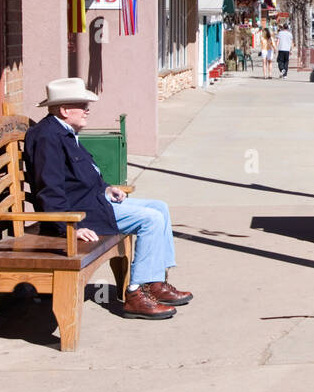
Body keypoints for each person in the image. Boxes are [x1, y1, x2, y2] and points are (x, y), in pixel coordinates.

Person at [24, 78, 192, 321]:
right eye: (82, 105)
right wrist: (70, 227)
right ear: (63, 110)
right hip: (81, 213)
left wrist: (106, 189)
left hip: (93, 202)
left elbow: (81, 177)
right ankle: (136, 294)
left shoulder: (64, 131)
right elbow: (48, 189)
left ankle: (155, 282)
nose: (87, 110)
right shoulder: (48, 138)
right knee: (151, 220)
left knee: (160, 207)